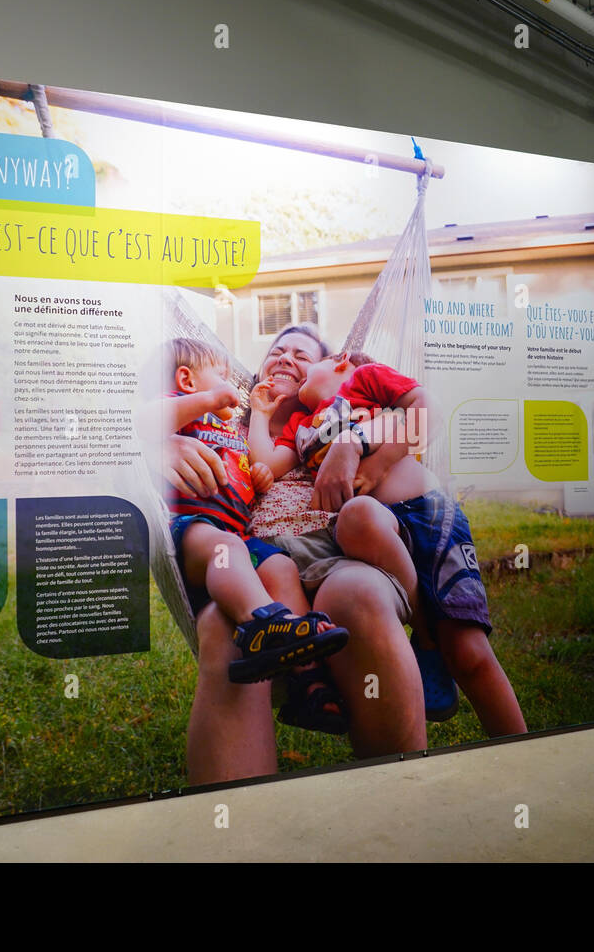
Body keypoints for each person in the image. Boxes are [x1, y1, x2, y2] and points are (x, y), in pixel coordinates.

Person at [161, 325, 427, 784]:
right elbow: (137, 428)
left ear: (327, 373)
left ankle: (397, 799)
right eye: (276, 351)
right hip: (253, 566)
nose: (285, 358)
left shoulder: (340, 416)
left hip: (337, 556)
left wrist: (350, 445)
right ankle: (237, 831)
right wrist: (161, 443)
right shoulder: (223, 421)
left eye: (302, 355)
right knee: (225, 626)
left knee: (355, 594)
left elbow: (412, 418)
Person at [248, 350, 526, 738]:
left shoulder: (365, 380)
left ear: (342, 360)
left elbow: (427, 410)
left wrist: (375, 463)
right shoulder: (300, 425)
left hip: (426, 515)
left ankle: (516, 744)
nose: (297, 366)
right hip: (379, 529)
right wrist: (258, 415)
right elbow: (265, 463)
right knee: (355, 522)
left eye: (306, 358)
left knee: (467, 652)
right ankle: (427, 642)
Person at [158, 337, 349, 684]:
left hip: (239, 535)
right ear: (187, 382)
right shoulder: (188, 410)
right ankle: (260, 621)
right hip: (193, 527)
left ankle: (309, 680)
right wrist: (205, 401)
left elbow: (244, 466)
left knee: (279, 566)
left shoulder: (241, 430)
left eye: (301, 355)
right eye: (222, 376)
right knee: (227, 550)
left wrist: (255, 475)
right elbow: (141, 423)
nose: (231, 386)